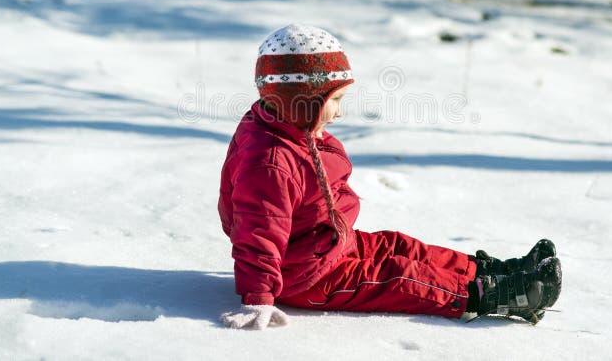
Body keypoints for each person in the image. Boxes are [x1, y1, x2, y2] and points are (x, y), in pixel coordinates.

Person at [219, 24, 562, 330]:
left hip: (327, 243)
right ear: (302, 100)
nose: (340, 110)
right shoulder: (271, 161)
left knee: (400, 245)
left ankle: (500, 271)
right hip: (308, 278)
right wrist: (259, 296)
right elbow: (258, 232)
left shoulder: (293, 130)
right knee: (398, 276)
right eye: (334, 99)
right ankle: (499, 295)